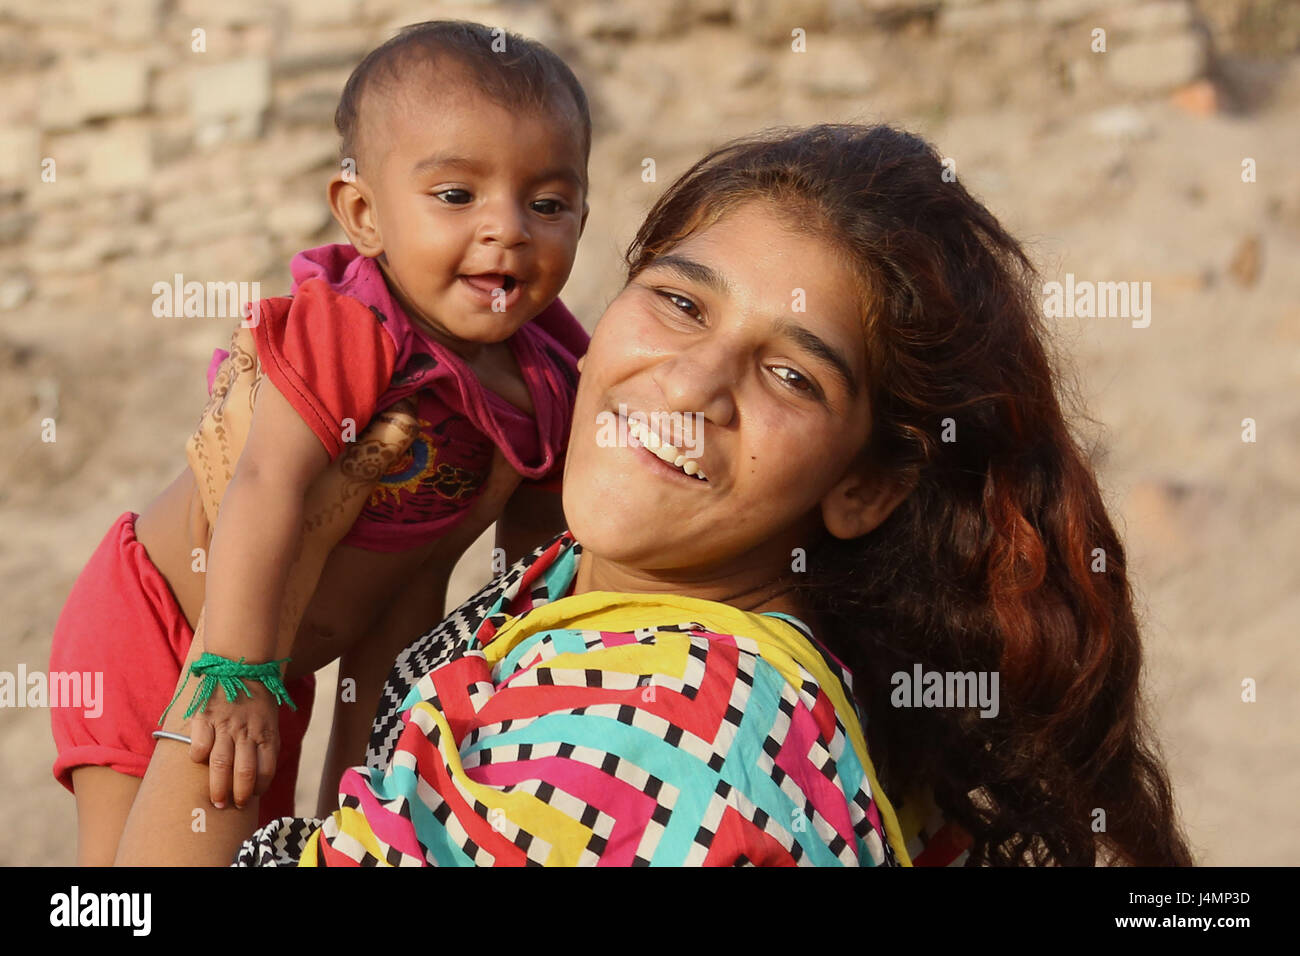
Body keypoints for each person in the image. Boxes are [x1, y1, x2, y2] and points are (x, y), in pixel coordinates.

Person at [117, 123, 1194, 867]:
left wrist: (253, 599)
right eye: (679, 302)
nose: (688, 384)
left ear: (866, 485)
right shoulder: (573, 588)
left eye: (790, 374)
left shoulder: (677, 724)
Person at [49, 20, 592, 866]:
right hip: (173, 617)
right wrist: (234, 667)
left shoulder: (555, 380)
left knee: (296, 836)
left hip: (305, 649)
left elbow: (520, 575)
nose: (509, 229)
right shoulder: (355, 325)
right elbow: (266, 480)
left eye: (547, 204)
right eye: (457, 196)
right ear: (364, 215)